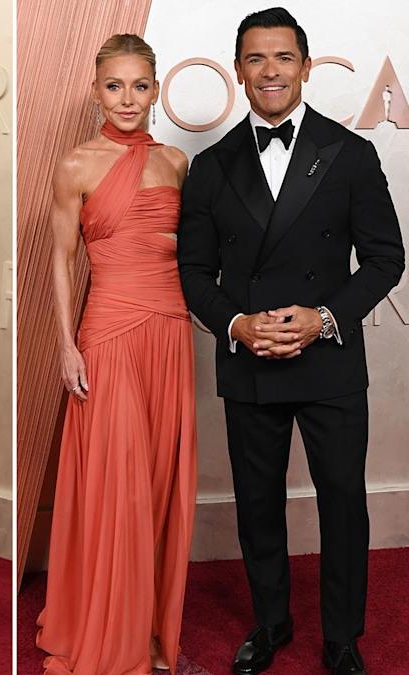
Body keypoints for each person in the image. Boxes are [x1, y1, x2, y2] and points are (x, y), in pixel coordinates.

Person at [178, 8, 403, 675]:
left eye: (282, 58)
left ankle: (342, 637)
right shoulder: (212, 166)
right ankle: (270, 624)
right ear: (238, 71)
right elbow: (192, 270)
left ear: (306, 67)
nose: (269, 71)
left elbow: (386, 259)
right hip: (251, 361)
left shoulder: (351, 154)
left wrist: (324, 316)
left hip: (330, 360)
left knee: (342, 502)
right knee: (258, 506)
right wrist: (238, 325)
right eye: (255, 59)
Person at [35, 34, 197, 675]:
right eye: (113, 86)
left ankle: (152, 628)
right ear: (95, 89)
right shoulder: (76, 164)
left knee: (156, 482)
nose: (126, 99)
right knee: (117, 487)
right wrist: (66, 345)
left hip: (170, 330)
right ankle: (113, 632)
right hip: (108, 333)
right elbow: (60, 257)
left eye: (138, 86)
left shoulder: (177, 162)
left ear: (155, 90)